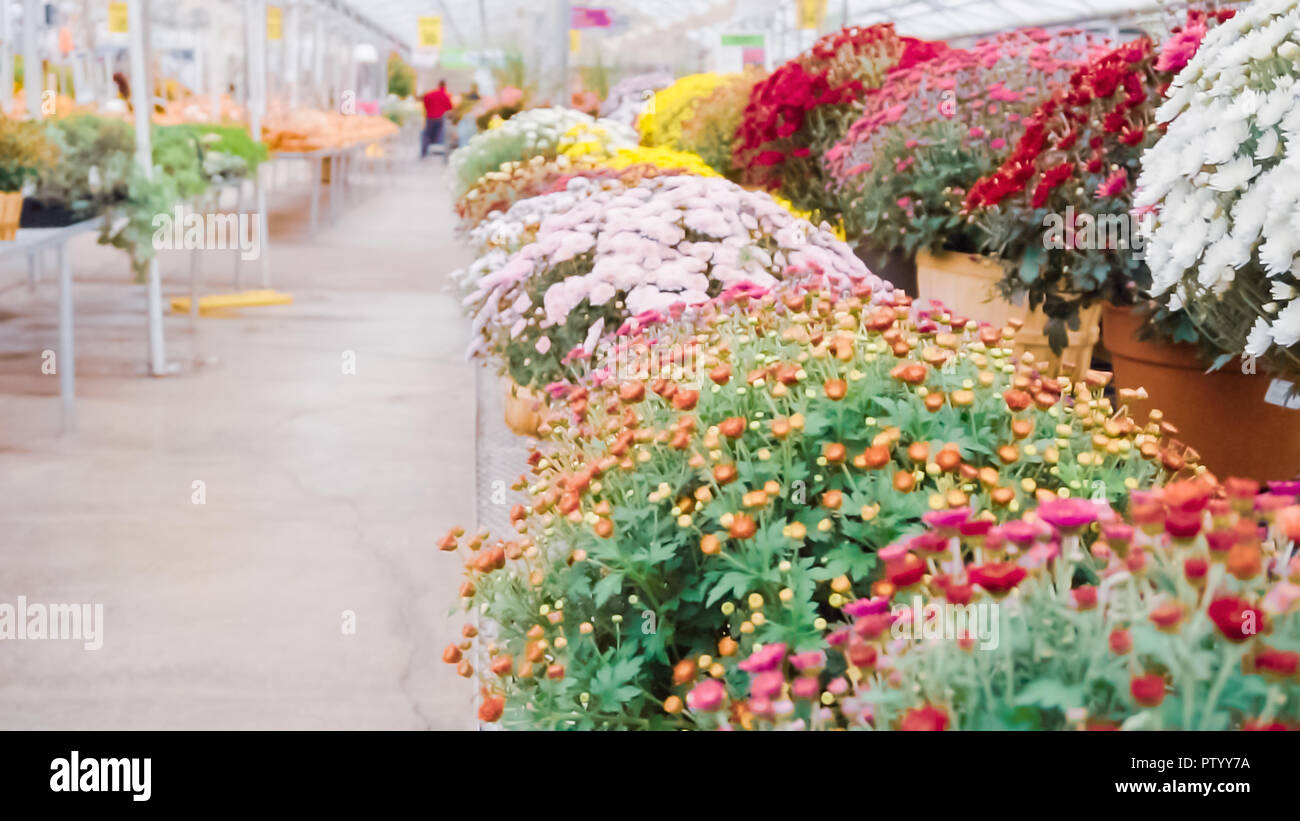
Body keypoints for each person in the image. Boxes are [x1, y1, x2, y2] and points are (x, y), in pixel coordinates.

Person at [421, 79, 453, 158]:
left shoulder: (431, 94)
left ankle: (424, 153)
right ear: (445, 86)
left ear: (438, 85)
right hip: (440, 118)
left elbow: (425, 100)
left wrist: (428, 109)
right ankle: (439, 154)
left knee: (427, 135)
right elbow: (450, 107)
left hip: (430, 117)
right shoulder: (445, 95)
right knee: (440, 135)